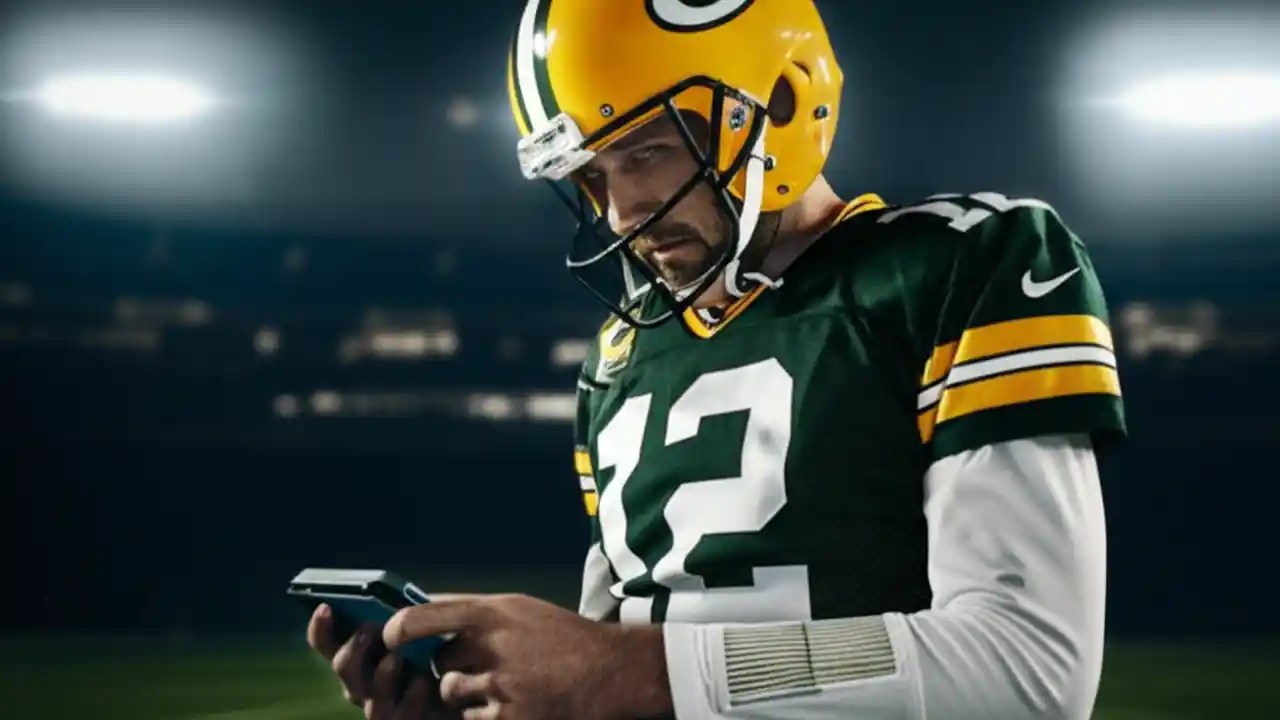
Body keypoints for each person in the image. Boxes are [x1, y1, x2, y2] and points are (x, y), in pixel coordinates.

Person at [308, 1, 1127, 718]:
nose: (620, 211)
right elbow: (604, 686)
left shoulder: (964, 264)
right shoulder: (618, 356)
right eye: (590, 175)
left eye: (645, 152)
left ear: (779, 99)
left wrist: (636, 671)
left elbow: (1029, 670)